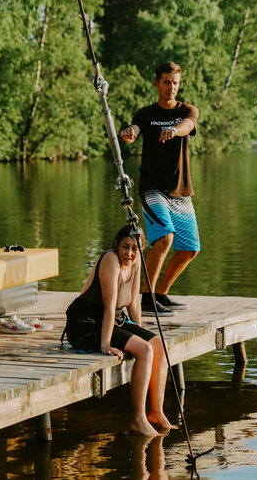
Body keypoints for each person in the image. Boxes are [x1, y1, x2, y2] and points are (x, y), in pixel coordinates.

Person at [64, 224, 173, 437]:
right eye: (125, 247)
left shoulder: (136, 261)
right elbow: (109, 304)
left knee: (158, 344)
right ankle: (137, 419)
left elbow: (134, 303)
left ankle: (156, 411)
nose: (130, 253)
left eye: (135, 248)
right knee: (145, 351)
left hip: (115, 319)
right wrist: (105, 345)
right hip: (87, 323)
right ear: (116, 245)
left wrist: (139, 334)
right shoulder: (110, 260)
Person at [119, 62, 200, 316]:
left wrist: (175, 131)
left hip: (180, 190)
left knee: (189, 249)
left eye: (175, 83)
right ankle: (146, 297)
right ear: (157, 83)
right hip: (152, 188)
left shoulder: (187, 110)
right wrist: (130, 132)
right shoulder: (145, 113)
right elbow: (137, 128)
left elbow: (188, 125)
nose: (171, 88)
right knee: (165, 237)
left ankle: (160, 293)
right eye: (166, 82)